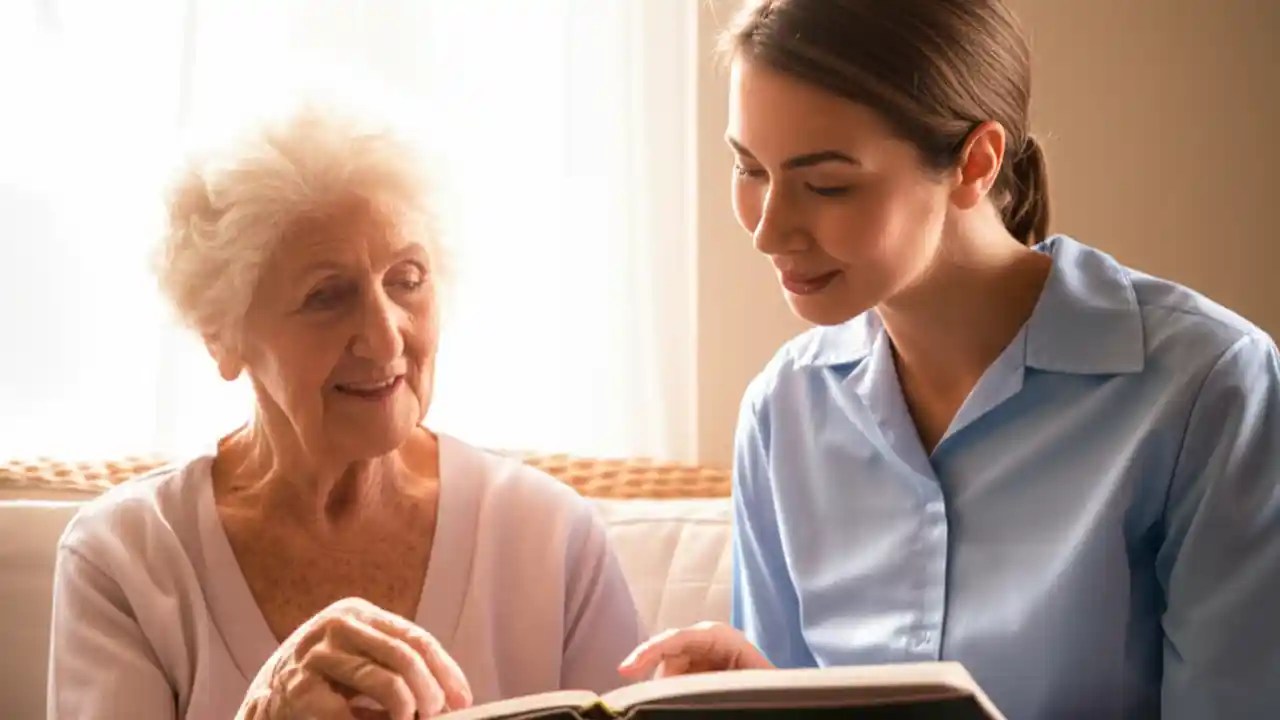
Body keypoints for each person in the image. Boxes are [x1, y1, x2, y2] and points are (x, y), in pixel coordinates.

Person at [618, 1, 1280, 718]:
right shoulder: (785, 409)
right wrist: (749, 691)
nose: (769, 228)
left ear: (976, 162)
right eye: (749, 168)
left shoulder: (1209, 387)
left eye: (828, 184)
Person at [47, 106, 645, 719]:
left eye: (406, 279)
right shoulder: (126, 560)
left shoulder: (548, 537)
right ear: (221, 336)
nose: (385, 339)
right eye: (326, 295)